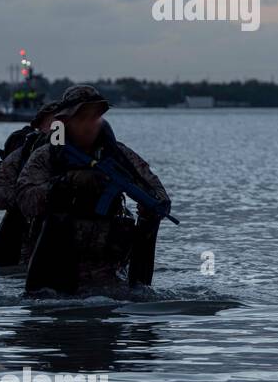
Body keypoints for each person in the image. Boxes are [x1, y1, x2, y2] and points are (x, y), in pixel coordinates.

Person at [15, 85, 169, 290]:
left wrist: (155, 206)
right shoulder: (47, 155)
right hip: (53, 269)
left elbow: (154, 187)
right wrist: (68, 182)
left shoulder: (118, 154)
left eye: (95, 117)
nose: (89, 125)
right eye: (81, 118)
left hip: (107, 272)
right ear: (65, 122)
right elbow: (25, 199)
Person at [0, 100, 57, 265]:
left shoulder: (90, 151)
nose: (57, 130)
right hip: (32, 241)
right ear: (39, 127)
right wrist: (31, 197)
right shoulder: (22, 155)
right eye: (52, 123)